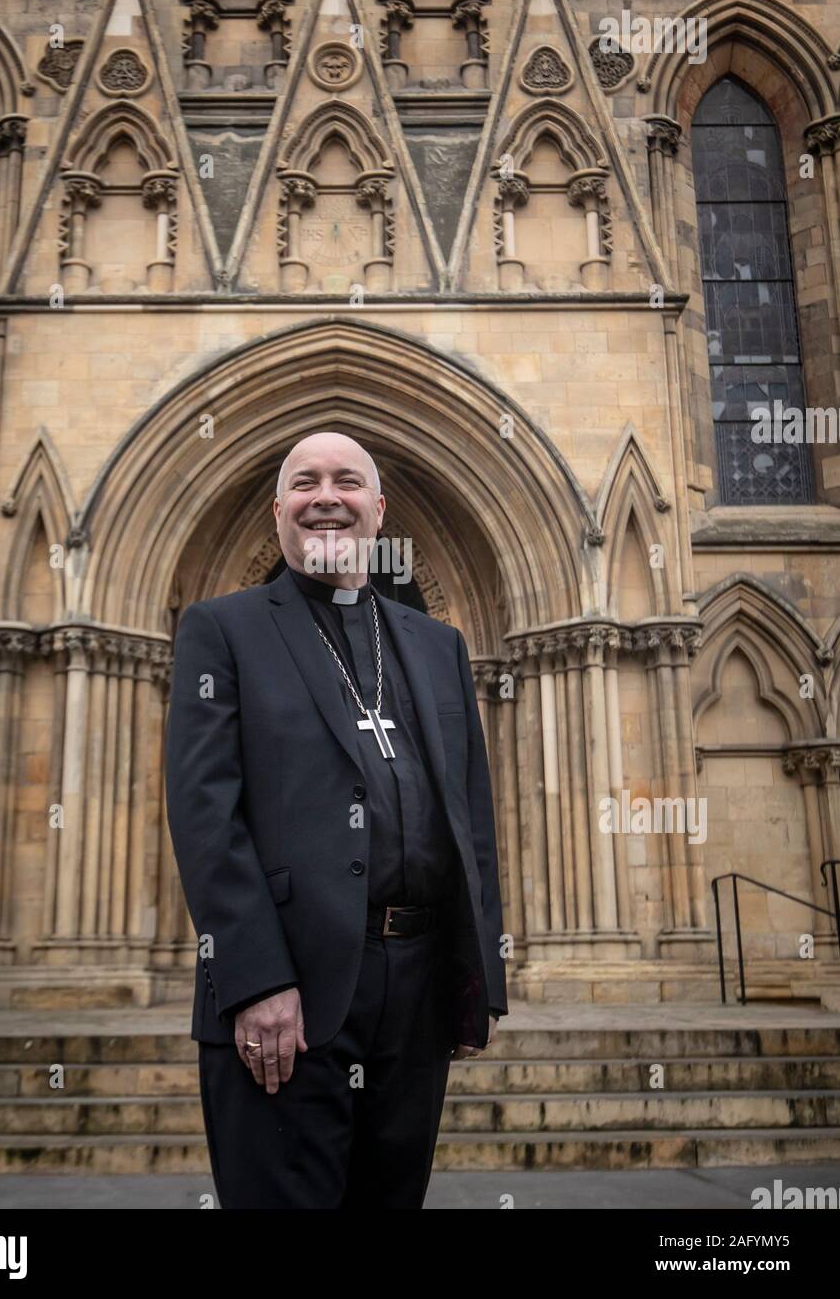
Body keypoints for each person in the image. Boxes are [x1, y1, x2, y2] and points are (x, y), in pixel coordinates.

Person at [164, 431, 508, 1208]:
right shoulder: (224, 630)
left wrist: (474, 970)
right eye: (305, 482)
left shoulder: (437, 643)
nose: (327, 496)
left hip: (417, 990)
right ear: (277, 509)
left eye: (347, 482)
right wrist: (255, 981)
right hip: (289, 990)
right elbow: (204, 815)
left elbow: (470, 817)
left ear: (378, 509)